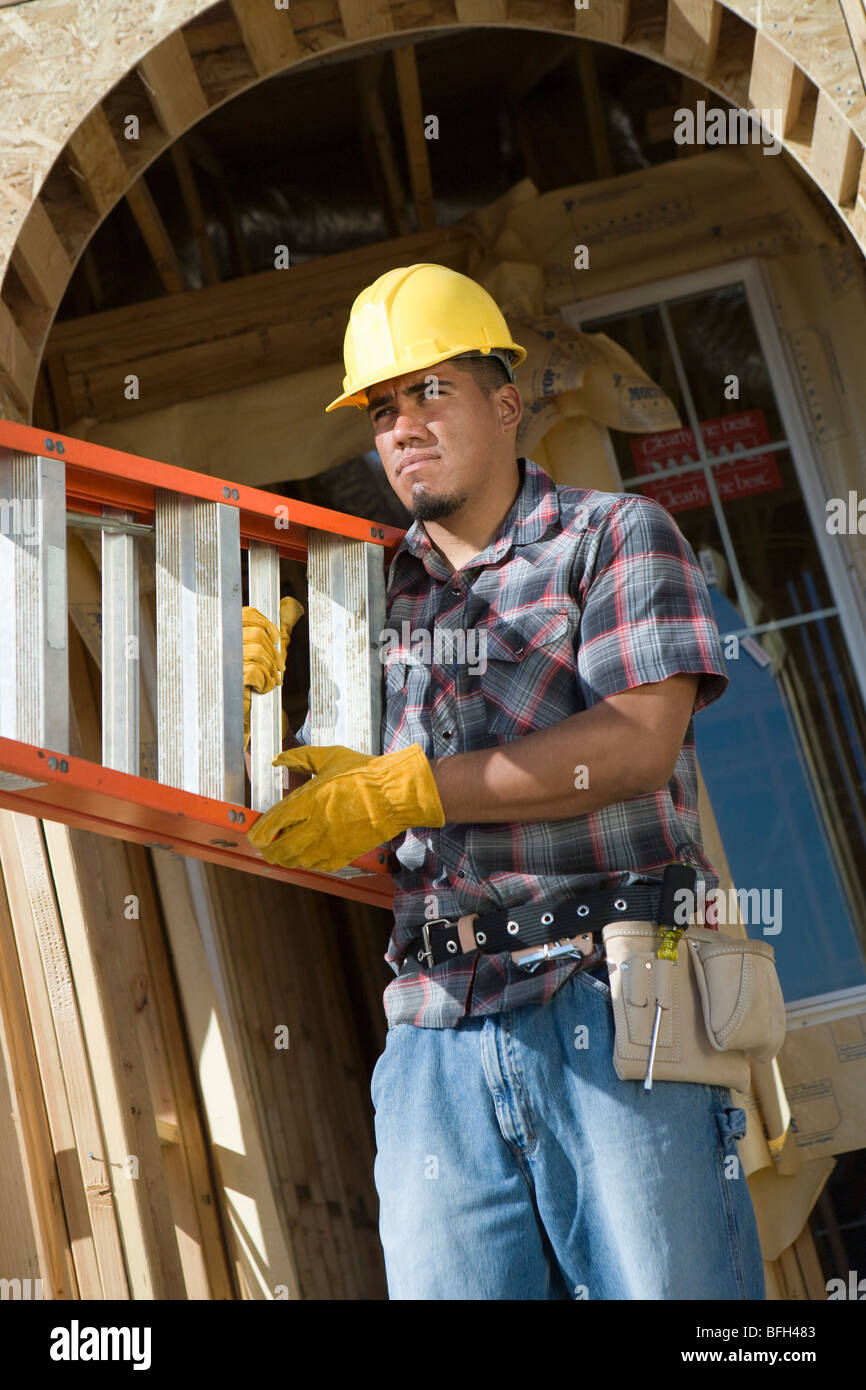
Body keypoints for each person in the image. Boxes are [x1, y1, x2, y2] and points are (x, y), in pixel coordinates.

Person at [244, 263, 766, 1301]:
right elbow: (314, 828)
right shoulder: (363, 598)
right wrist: (244, 706)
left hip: (611, 994)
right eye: (382, 407)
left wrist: (414, 790)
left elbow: (629, 746)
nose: (401, 426)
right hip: (434, 1029)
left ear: (504, 399)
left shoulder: (610, 536)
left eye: (429, 390)